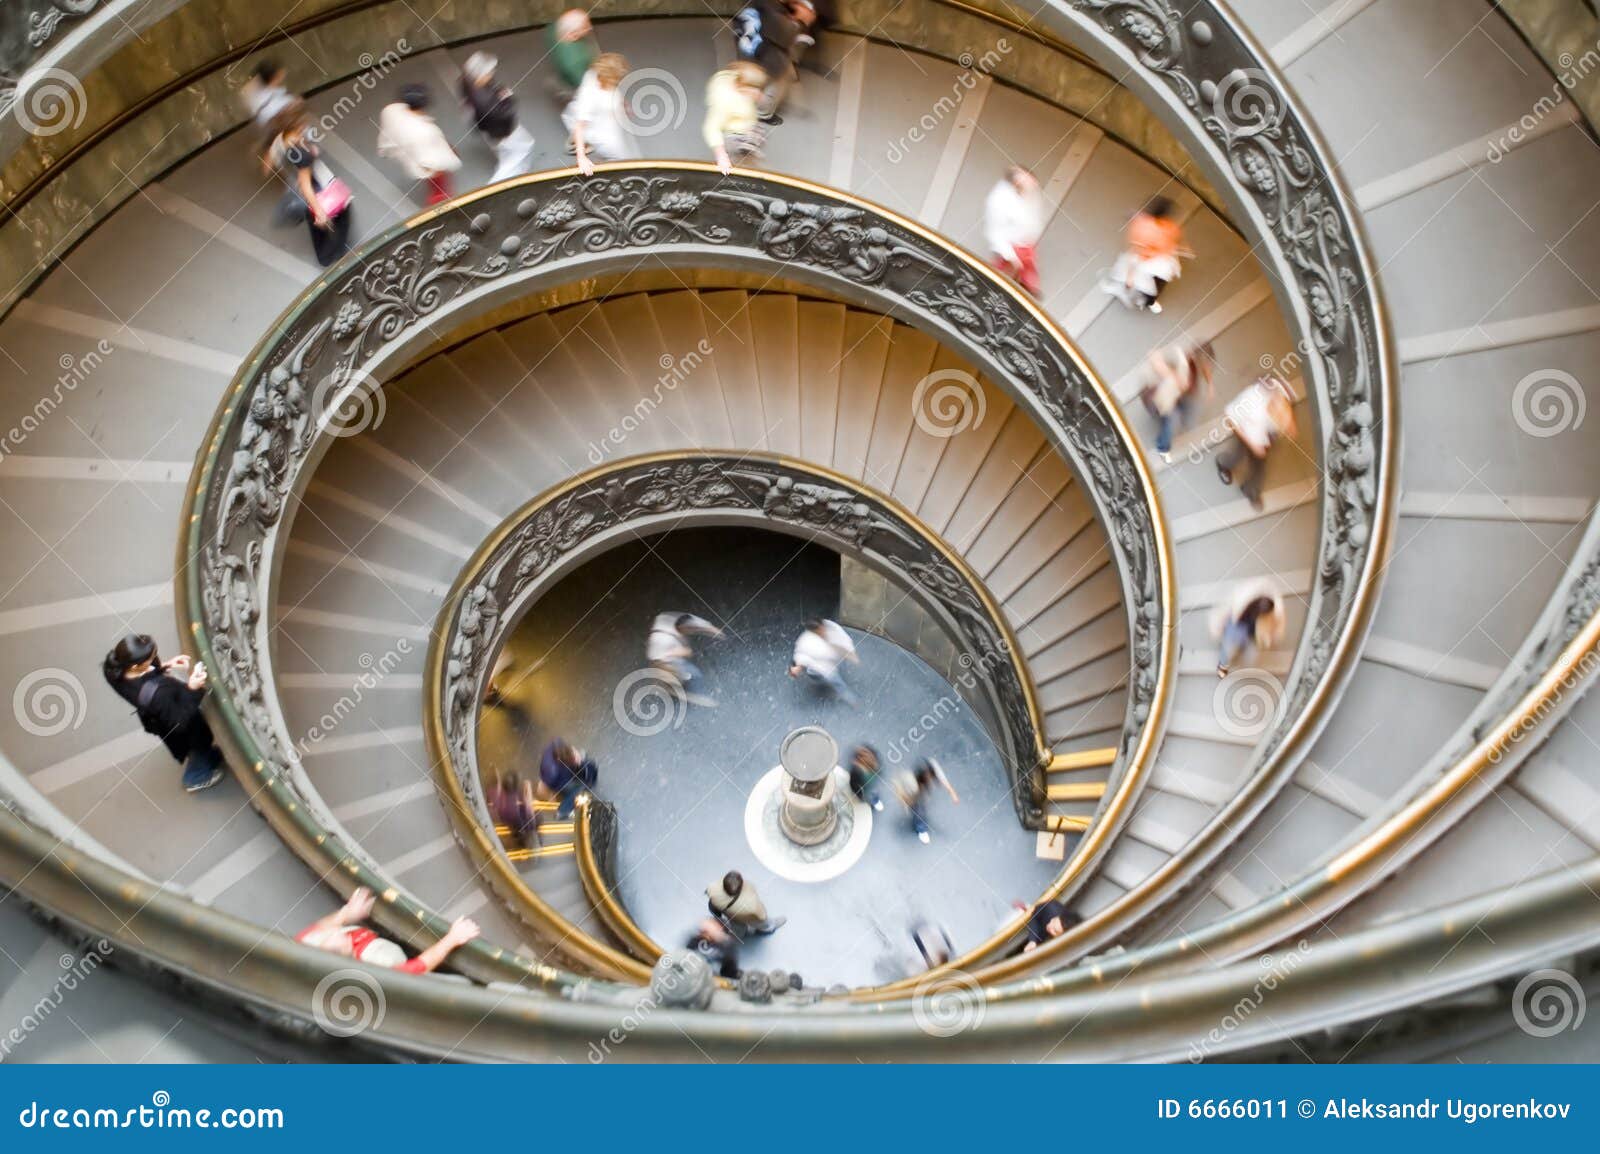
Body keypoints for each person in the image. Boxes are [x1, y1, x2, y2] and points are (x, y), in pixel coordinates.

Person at [102, 633, 225, 793]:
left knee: (200, 747)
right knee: (197, 745)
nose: (155, 657)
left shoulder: (113, 670)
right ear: (135, 666)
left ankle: (207, 757)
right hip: (182, 728)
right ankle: (196, 778)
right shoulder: (159, 694)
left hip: (159, 718)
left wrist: (164, 666)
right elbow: (181, 721)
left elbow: (145, 674)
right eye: (151, 657)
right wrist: (193, 689)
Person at [297, 887, 480, 974]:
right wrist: (452, 938)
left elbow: (321, 927)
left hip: (376, 939)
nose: (338, 932)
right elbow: (418, 967)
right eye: (341, 939)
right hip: (403, 961)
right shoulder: (376, 971)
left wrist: (346, 914)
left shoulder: (307, 942)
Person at [270, 103, 353, 267]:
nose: (305, 123)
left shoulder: (279, 141)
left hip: (299, 193)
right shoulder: (300, 152)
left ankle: (324, 257)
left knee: (315, 226)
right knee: (343, 213)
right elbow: (306, 183)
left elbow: (273, 161)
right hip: (317, 190)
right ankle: (339, 253)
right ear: (297, 124)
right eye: (303, 121)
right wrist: (320, 211)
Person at [1217, 377, 1297, 511]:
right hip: (1246, 434)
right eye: (1278, 411)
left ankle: (1250, 490)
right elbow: (1230, 417)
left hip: (1264, 437)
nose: (1280, 415)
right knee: (1236, 456)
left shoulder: (1281, 400)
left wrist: (1289, 424)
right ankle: (1222, 463)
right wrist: (1252, 444)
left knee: (1259, 467)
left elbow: (1287, 415)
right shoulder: (1251, 398)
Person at [1103, 195, 1191, 313]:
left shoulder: (1149, 225)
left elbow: (1171, 240)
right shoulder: (1151, 228)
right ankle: (1148, 300)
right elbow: (1138, 250)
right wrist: (1131, 273)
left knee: (1154, 281)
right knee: (1152, 282)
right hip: (1149, 259)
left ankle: (1147, 299)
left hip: (1157, 258)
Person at [377, 83, 462, 205]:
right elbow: (433, 164)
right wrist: (448, 156)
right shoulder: (425, 132)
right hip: (426, 160)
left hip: (408, 153)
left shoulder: (391, 110)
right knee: (439, 188)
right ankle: (440, 203)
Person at [460, 52, 537, 182]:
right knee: (524, 147)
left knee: (507, 153)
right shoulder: (484, 99)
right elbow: (503, 113)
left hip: (492, 132)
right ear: (479, 75)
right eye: (488, 72)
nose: (491, 74)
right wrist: (507, 98)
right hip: (504, 131)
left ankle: (519, 171)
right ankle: (497, 182)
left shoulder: (468, 84)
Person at [1139, 339, 1215, 460]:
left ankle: (1183, 418)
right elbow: (1153, 357)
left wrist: (1210, 385)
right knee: (1173, 421)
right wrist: (1175, 378)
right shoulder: (1178, 357)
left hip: (1177, 394)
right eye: (1202, 366)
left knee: (1191, 404)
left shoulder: (1195, 366)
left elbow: (1207, 370)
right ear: (1194, 357)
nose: (1203, 370)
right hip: (1156, 397)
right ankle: (1162, 447)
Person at [568, 53, 640, 176]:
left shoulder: (593, 74)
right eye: (617, 78)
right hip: (603, 134)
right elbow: (579, 126)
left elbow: (614, 91)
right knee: (619, 157)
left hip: (609, 123)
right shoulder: (589, 96)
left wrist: (624, 104)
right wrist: (581, 158)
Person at [984, 166, 1045, 297]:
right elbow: (995, 232)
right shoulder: (1000, 198)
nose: (1031, 183)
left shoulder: (1030, 195)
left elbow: (1032, 222)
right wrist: (1011, 256)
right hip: (1009, 250)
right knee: (998, 287)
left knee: (1025, 292)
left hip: (1025, 249)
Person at [734, 0, 800, 121]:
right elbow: (788, 37)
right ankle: (762, 113)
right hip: (768, 58)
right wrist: (799, 20)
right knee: (777, 83)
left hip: (748, 51)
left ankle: (744, 100)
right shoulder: (775, 14)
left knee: (752, 82)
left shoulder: (753, 4)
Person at [1210, 579, 1287, 677]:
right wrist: (1219, 629)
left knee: (1251, 656)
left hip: (1251, 632)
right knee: (1228, 647)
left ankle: (1237, 663)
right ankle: (1223, 665)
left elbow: (1277, 625)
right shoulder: (1244, 601)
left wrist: (1273, 637)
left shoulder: (1273, 612)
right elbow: (1229, 612)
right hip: (1239, 624)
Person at [646, 611, 723, 705]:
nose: (690, 632)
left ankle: (678, 682)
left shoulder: (672, 621)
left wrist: (711, 629)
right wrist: (679, 652)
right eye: (687, 630)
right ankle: (671, 682)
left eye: (690, 630)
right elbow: (656, 659)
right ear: (680, 628)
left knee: (692, 670)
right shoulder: (662, 638)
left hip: (670, 659)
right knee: (693, 673)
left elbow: (695, 622)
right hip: (662, 663)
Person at [703, 61, 767, 173]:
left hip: (747, 128)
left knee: (749, 160)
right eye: (752, 90)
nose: (757, 94)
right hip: (734, 137)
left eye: (759, 89)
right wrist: (721, 156)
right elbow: (711, 128)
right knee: (739, 166)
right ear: (739, 86)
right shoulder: (725, 102)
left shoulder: (739, 82)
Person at [788, 617, 859, 705]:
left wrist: (850, 654)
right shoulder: (806, 640)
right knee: (835, 681)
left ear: (823, 625)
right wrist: (798, 667)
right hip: (820, 667)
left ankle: (844, 692)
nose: (821, 633)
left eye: (821, 630)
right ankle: (851, 700)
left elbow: (844, 640)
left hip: (833, 659)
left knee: (840, 666)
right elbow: (802, 655)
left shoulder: (833, 629)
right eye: (817, 632)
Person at [546, 8, 599, 123]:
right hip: (575, 81)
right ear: (573, 35)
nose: (590, 28)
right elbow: (583, 83)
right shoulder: (574, 61)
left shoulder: (553, 29)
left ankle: (557, 83)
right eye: (585, 27)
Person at [894, 757, 959, 844]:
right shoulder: (912, 783)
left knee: (921, 805)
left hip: (919, 790)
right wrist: (907, 802)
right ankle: (921, 829)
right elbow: (904, 795)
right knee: (918, 810)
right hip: (913, 793)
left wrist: (953, 793)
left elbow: (943, 780)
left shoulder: (934, 767)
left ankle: (918, 814)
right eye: (926, 777)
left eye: (929, 775)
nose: (929, 778)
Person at [706, 870, 786, 935]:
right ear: (741, 886)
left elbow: (710, 896)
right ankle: (767, 929)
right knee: (764, 923)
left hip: (730, 915)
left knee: (737, 929)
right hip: (746, 916)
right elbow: (761, 917)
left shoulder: (712, 889)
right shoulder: (750, 904)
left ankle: (736, 934)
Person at [537, 737, 596, 818]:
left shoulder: (557, 745)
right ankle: (563, 811)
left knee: (581, 762)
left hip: (558, 774)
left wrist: (575, 755)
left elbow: (560, 743)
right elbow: (561, 783)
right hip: (556, 782)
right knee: (579, 787)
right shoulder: (553, 772)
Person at [486, 772, 542, 849]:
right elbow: (528, 810)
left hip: (511, 819)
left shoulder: (500, 798)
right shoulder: (513, 805)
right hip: (520, 823)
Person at [846, 742, 884, 811]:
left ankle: (874, 802)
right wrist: (860, 795)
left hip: (871, 785)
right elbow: (854, 785)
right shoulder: (856, 772)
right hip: (864, 788)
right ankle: (871, 803)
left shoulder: (874, 763)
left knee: (874, 793)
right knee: (870, 795)